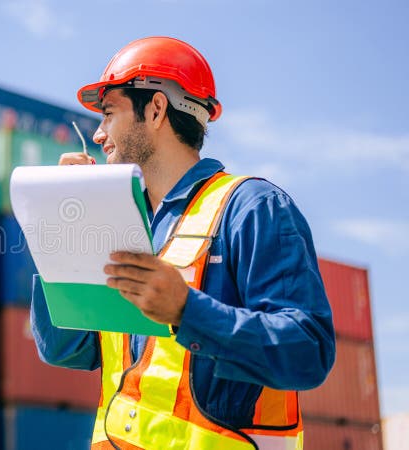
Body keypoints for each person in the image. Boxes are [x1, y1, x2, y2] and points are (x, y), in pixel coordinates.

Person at [30, 37, 335, 450]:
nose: (98, 135)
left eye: (107, 113)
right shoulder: (123, 222)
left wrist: (187, 311)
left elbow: (308, 351)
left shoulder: (253, 208)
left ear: (156, 109)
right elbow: (67, 349)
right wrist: (62, 230)